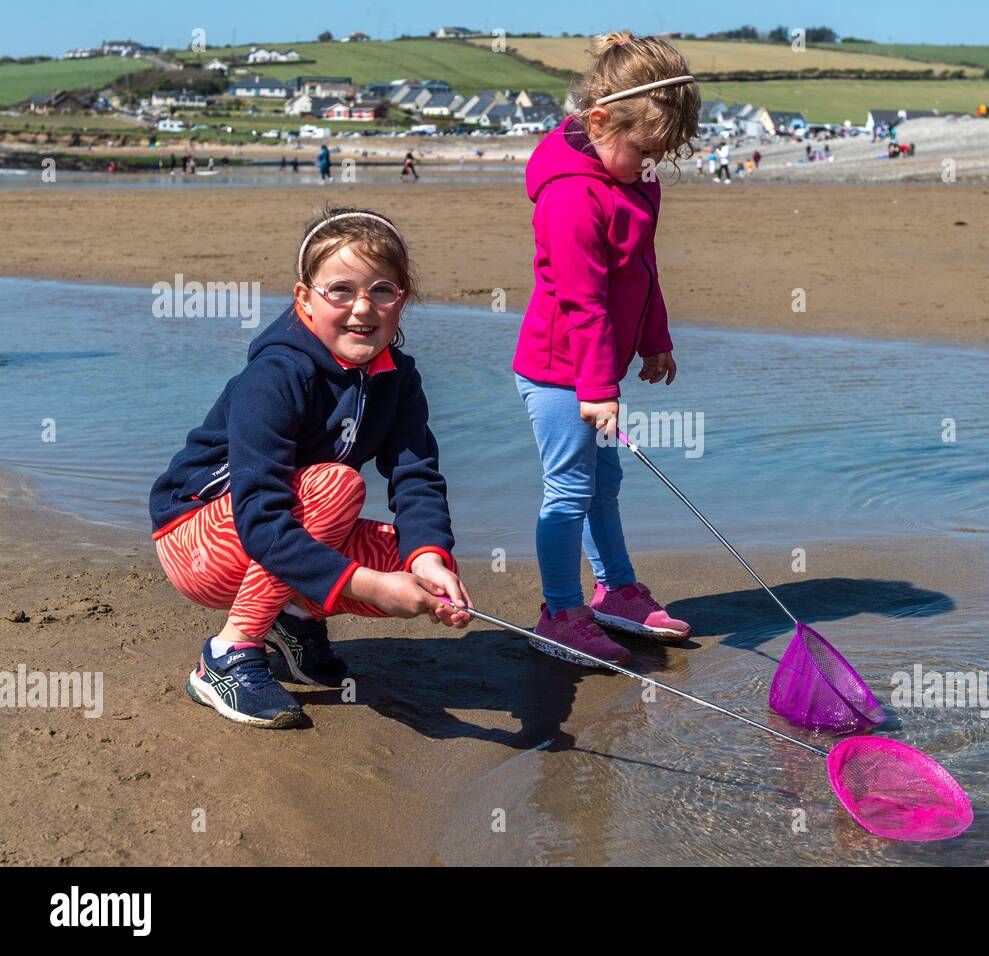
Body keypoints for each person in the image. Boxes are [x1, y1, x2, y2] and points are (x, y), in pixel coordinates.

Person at [149, 207, 472, 727]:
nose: (362, 308)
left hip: (274, 536)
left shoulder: (399, 378)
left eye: (382, 290)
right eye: (340, 290)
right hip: (197, 540)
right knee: (337, 485)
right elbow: (262, 519)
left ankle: (293, 616)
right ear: (304, 298)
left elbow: (416, 476)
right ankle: (228, 655)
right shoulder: (276, 375)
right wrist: (368, 586)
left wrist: (430, 560)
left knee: (418, 562)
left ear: (402, 298)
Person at [512, 31, 698, 666]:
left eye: (660, 156)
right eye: (644, 151)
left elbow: (641, 270)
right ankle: (559, 612)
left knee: (605, 483)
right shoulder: (571, 194)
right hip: (558, 372)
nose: (651, 165)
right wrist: (595, 389)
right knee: (569, 491)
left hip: (597, 373)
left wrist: (654, 340)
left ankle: (615, 590)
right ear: (597, 122)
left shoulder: (633, 179)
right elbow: (583, 301)